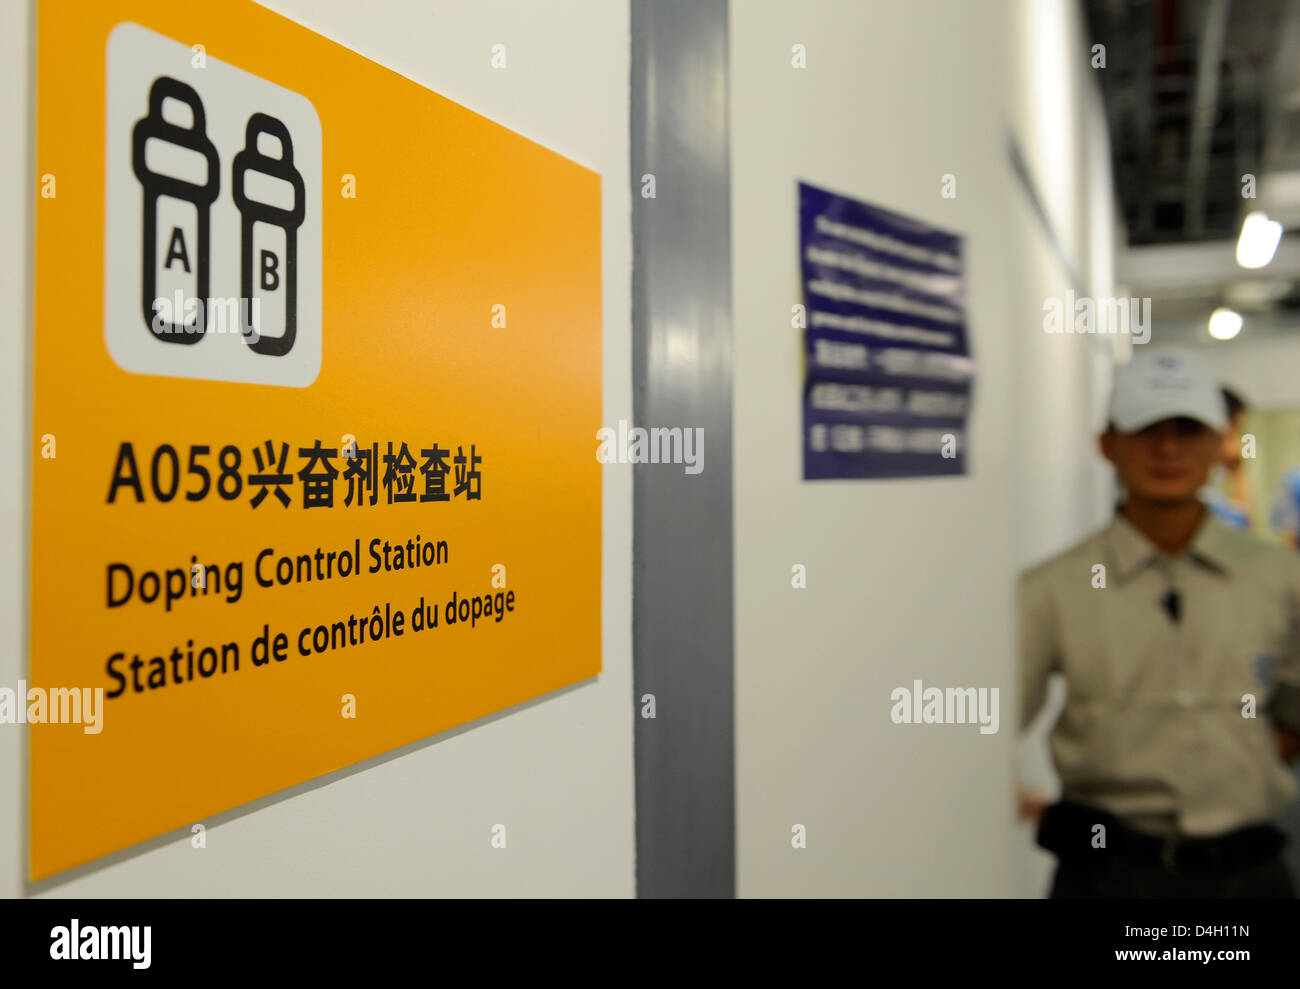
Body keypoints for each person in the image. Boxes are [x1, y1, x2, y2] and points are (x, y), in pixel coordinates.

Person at [1016, 348, 1300, 898]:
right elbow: (979, 728)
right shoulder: (1051, 588)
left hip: (1248, 875)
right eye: (1145, 429)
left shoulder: (1279, 579)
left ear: (1220, 443)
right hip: (1107, 877)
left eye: (1187, 429)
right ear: (1108, 445)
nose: (1167, 448)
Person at [1200, 387, 1252, 531]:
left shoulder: (1210, 492)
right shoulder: (1200, 497)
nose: (1239, 443)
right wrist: (1237, 473)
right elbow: (1243, 531)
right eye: (1236, 429)